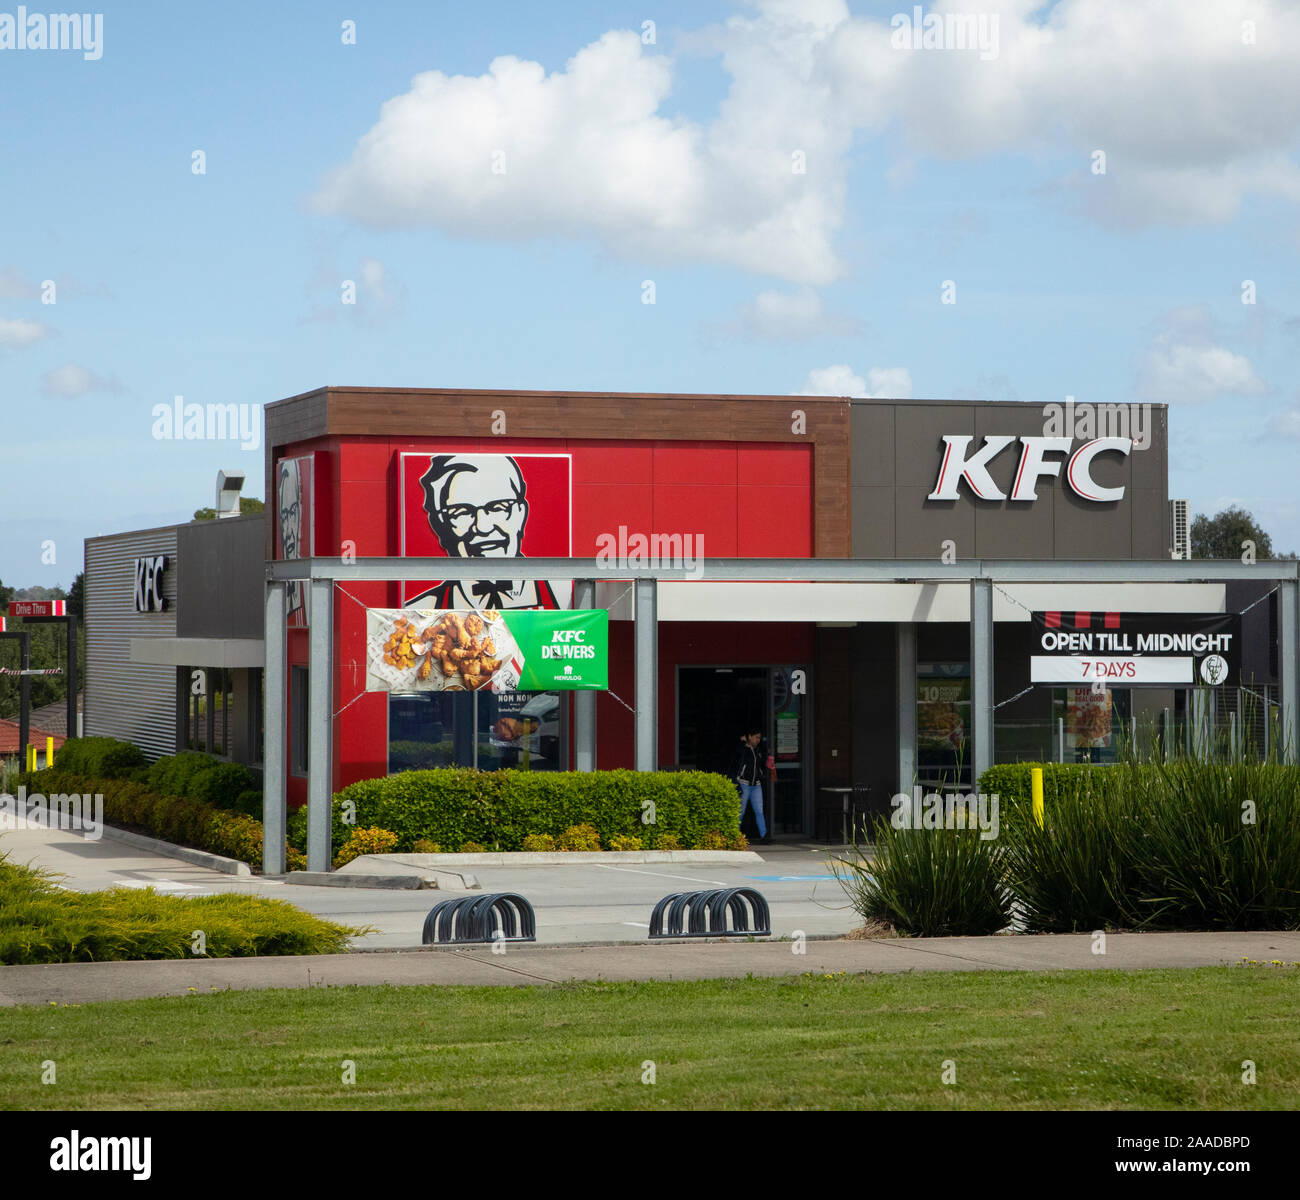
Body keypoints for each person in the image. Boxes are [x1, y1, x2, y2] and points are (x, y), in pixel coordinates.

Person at [410, 454, 561, 610]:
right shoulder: (416, 614)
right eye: (462, 512)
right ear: (440, 524)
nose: (483, 527)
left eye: (498, 508)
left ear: (521, 514)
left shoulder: (567, 601)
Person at [732, 726, 769, 844]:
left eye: (759, 738)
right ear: (750, 737)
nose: (758, 740)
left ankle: (764, 836)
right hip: (744, 784)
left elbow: (763, 761)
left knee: (759, 810)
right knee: (740, 811)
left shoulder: (758, 750)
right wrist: (743, 742)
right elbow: (738, 754)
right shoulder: (743, 749)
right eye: (756, 737)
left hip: (756, 785)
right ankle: (734, 836)